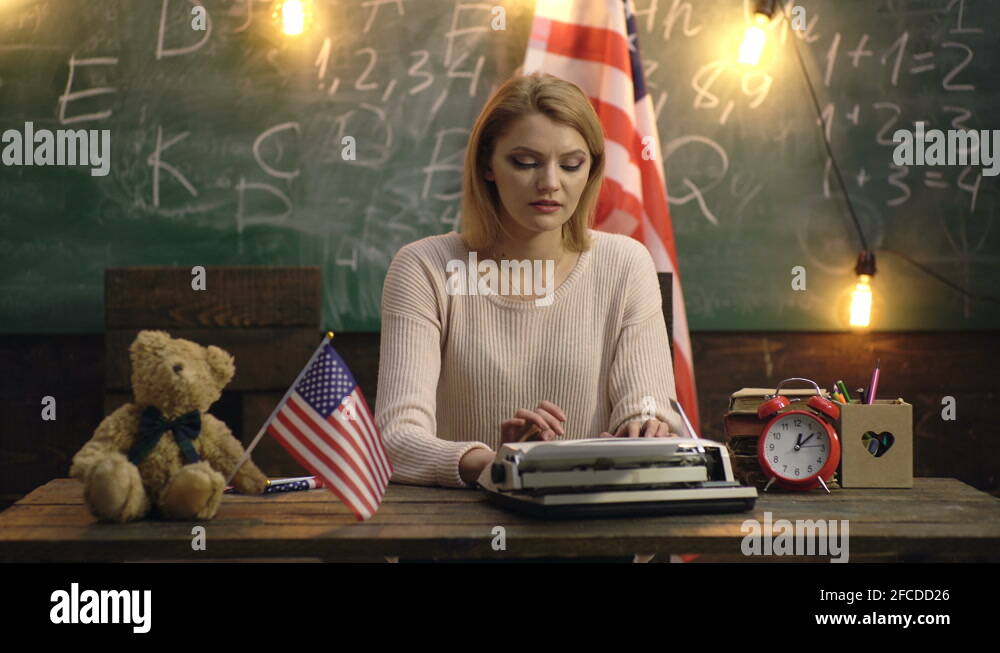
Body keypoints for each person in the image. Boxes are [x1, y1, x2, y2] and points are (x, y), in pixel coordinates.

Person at [375, 70, 683, 513]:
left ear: (591, 169)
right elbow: (394, 440)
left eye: (571, 164)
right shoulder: (425, 267)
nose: (550, 183)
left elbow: (648, 407)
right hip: (458, 533)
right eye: (525, 162)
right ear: (488, 165)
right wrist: (497, 465)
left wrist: (646, 427)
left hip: (594, 527)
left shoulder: (625, 264)